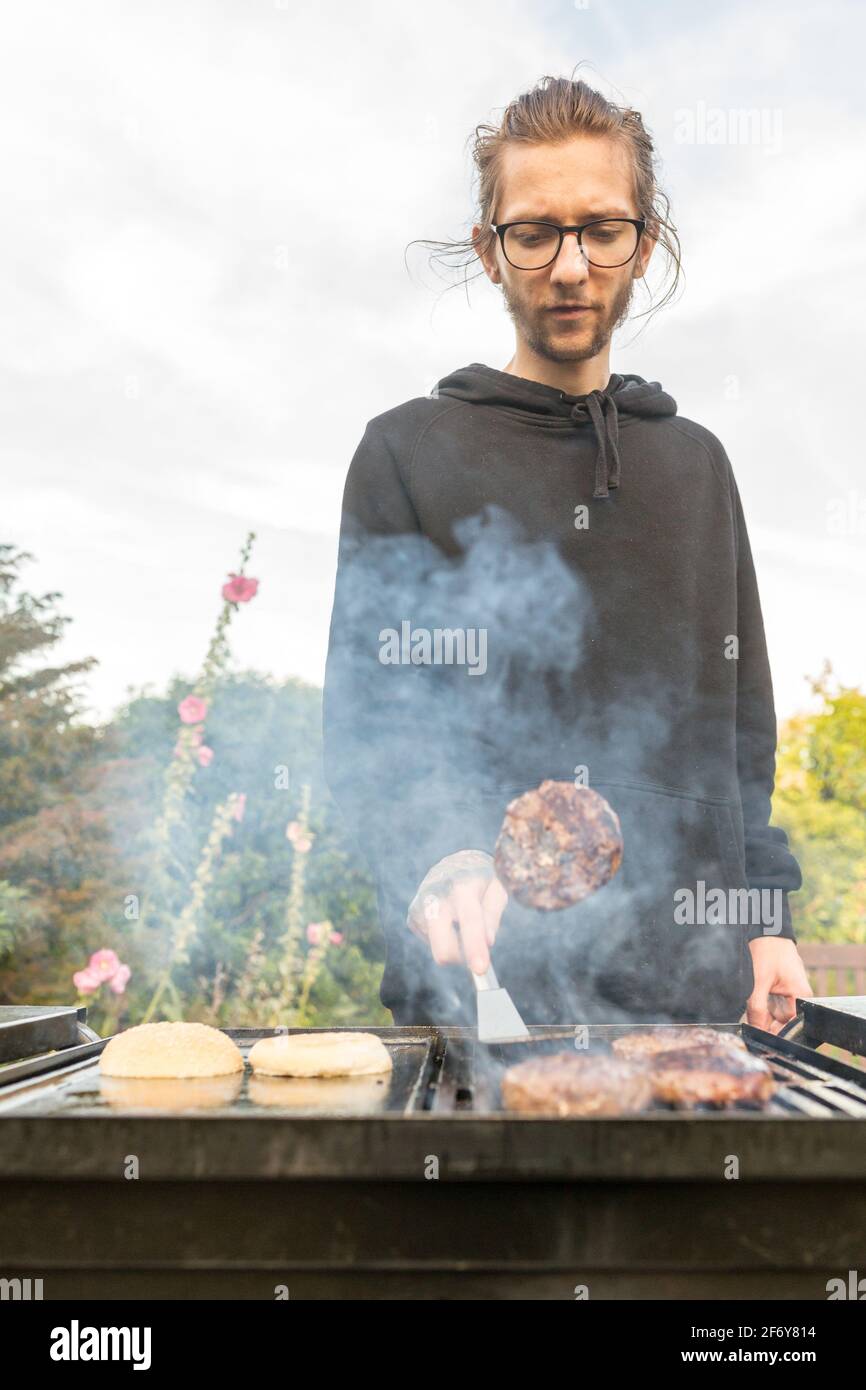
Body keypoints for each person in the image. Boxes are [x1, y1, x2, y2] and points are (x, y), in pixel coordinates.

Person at [322, 75, 812, 1033]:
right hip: (474, 998)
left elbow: (740, 726)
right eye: (535, 231)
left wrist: (765, 916)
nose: (571, 267)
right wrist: (436, 854)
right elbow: (367, 728)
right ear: (489, 250)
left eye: (601, 228)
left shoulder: (695, 463)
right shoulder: (406, 452)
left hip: (689, 1003)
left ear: (645, 243)